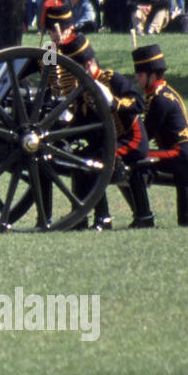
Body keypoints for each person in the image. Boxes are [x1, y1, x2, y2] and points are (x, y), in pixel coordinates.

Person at [61, 34, 155, 229]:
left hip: (131, 139)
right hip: (108, 142)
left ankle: (103, 217)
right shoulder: (82, 88)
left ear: (87, 64)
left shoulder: (111, 79)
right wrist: (60, 137)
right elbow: (81, 121)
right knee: (80, 161)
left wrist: (115, 103)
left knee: (95, 163)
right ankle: (80, 216)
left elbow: (138, 102)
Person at [133, 44, 188, 226]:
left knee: (134, 163)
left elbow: (145, 136)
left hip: (181, 155)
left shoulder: (159, 99)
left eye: (140, 75)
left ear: (152, 75)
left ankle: (143, 217)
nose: (137, 78)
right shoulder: (166, 93)